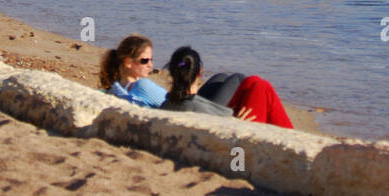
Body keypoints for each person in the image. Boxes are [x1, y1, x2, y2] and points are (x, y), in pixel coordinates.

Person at [163, 46, 293, 127]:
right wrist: (237, 124)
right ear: (200, 72)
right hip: (237, 158)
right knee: (259, 85)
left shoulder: (165, 105)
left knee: (247, 82)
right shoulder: (198, 109)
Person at [99, 33, 166, 108]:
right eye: (144, 61)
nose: (150, 65)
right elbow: (175, 103)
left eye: (151, 60)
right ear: (128, 62)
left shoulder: (114, 90)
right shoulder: (142, 86)